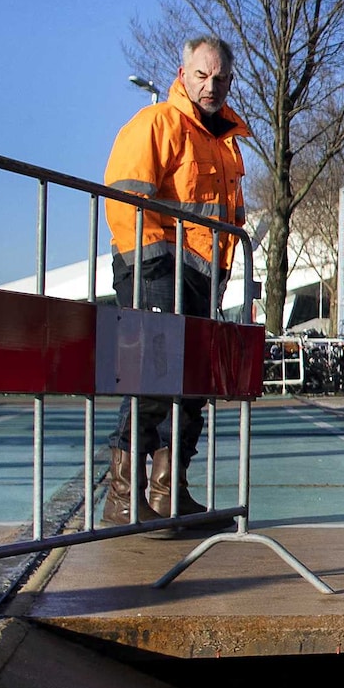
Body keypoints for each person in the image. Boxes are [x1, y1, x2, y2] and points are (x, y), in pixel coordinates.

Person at [102, 35, 247, 530]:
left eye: (221, 77)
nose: (212, 86)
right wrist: (151, 270)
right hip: (157, 271)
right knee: (152, 381)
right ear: (183, 74)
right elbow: (125, 198)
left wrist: (220, 275)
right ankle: (122, 495)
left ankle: (169, 492)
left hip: (201, 281)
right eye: (203, 75)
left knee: (190, 389)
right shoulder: (156, 123)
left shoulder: (225, 144)